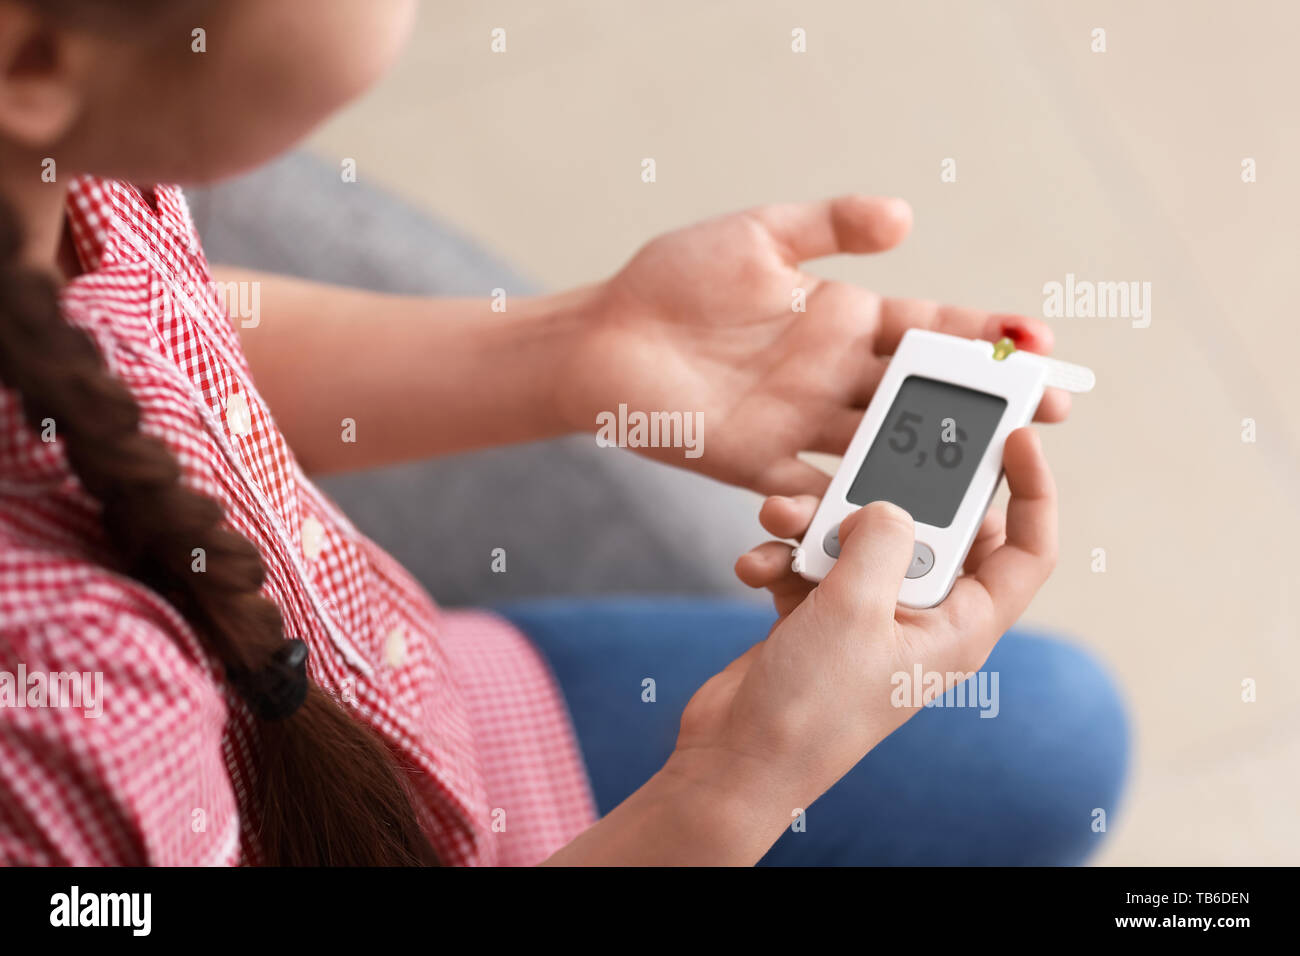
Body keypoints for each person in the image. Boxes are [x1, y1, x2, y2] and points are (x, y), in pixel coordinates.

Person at [0, 0, 1126, 866]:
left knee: (1054, 732)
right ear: (36, 61)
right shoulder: (67, 707)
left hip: (418, 705)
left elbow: (146, 347)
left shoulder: (65, 171)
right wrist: (736, 781)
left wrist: (574, 347)